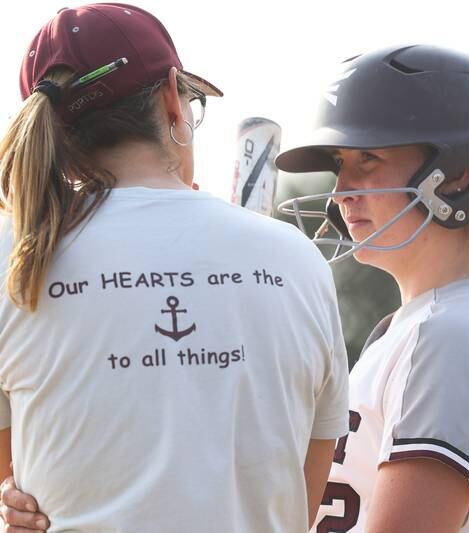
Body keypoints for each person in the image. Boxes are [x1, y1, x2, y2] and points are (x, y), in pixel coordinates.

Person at [0, 3, 348, 532]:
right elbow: (301, 496)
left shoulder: (14, 260)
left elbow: (16, 479)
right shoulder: (296, 260)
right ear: (170, 99)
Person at [275, 45, 469, 532]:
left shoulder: (459, 333)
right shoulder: (429, 325)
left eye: (368, 158)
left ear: (459, 175)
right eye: (340, 162)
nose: (341, 189)